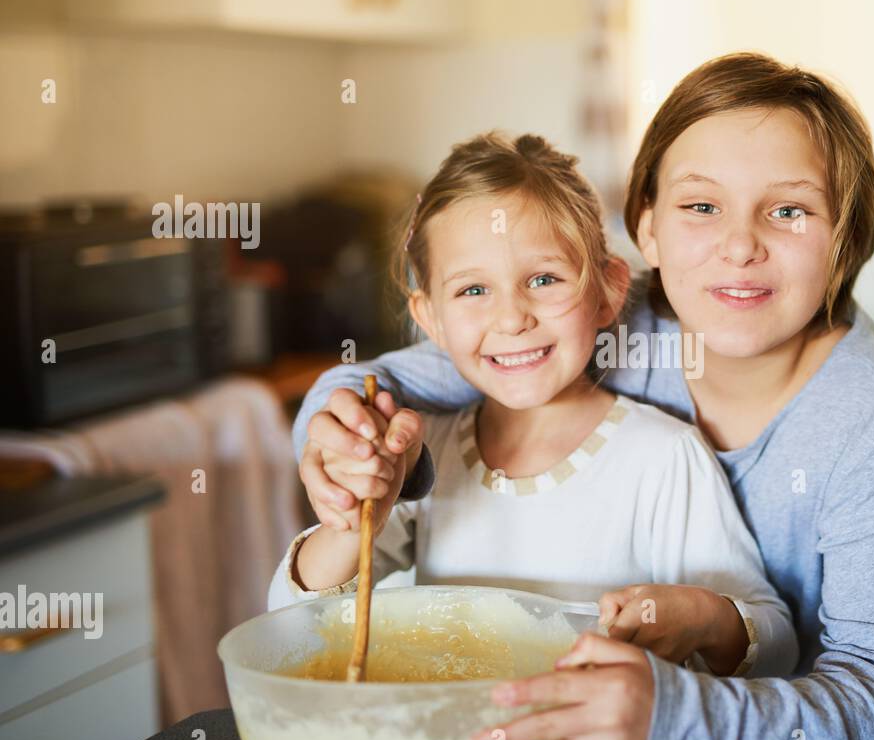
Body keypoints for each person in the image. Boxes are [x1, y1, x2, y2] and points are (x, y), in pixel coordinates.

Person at [295, 53, 874, 740]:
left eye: (789, 209)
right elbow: (381, 385)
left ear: (847, 237)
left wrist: (674, 727)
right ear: (648, 230)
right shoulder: (593, 324)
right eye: (701, 206)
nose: (740, 245)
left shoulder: (872, 412)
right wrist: (337, 441)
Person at [267, 131, 797, 697]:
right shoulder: (420, 452)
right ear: (431, 319)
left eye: (543, 280)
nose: (512, 317)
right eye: (473, 291)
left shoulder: (664, 457)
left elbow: (778, 647)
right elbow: (292, 621)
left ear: (608, 291)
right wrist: (354, 516)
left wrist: (702, 616)